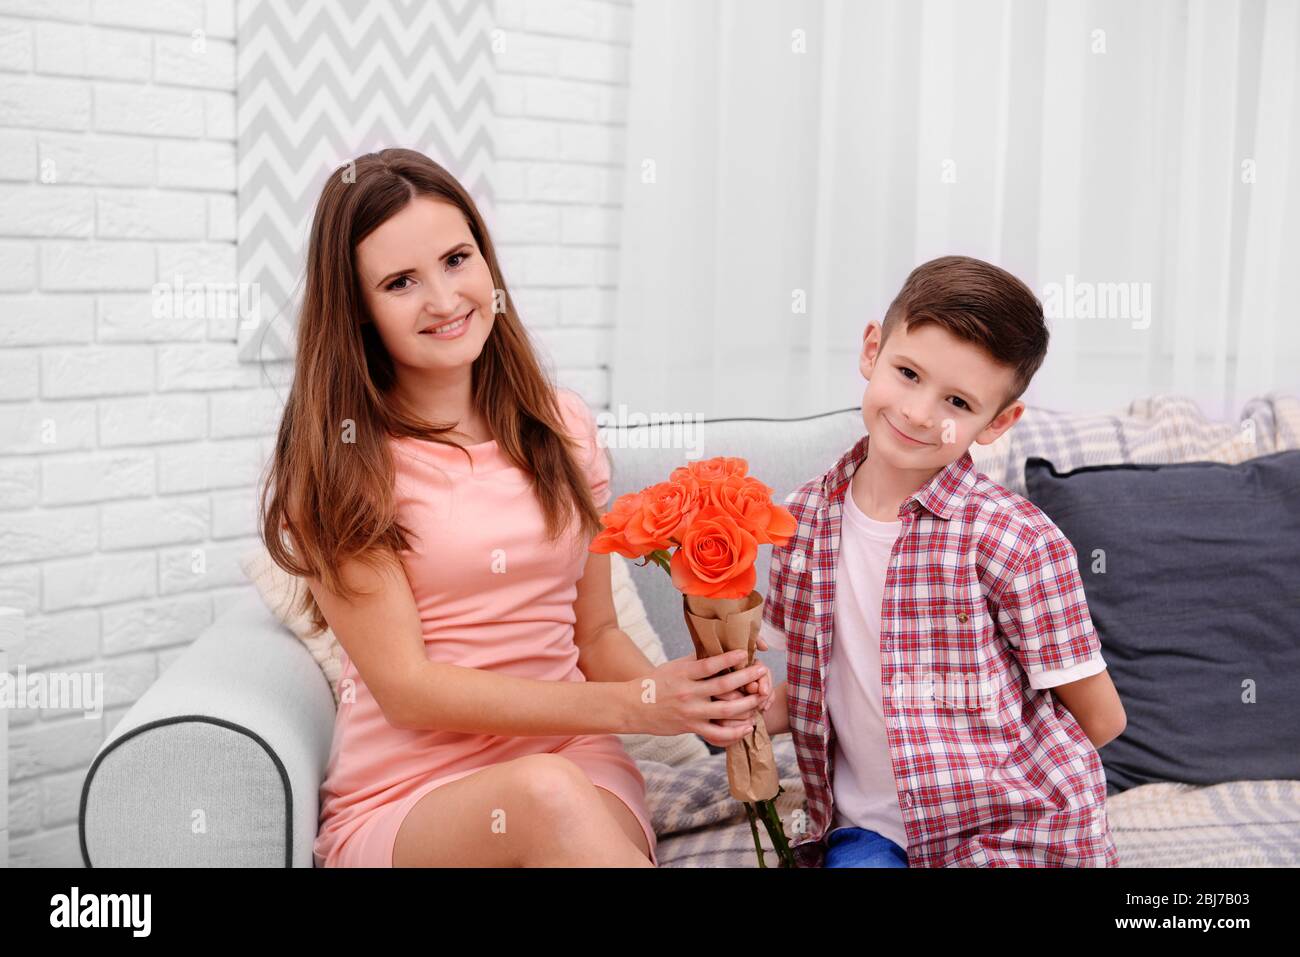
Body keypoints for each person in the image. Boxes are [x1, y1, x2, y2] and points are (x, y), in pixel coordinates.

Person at [260, 148, 773, 868]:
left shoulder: (560, 427)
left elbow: (594, 636)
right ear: (361, 312)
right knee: (544, 793)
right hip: (412, 797)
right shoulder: (341, 463)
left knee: (556, 789)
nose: (444, 299)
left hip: (578, 763)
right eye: (401, 281)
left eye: (457, 259)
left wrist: (703, 701)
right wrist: (636, 706)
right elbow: (407, 689)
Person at [759, 255, 1127, 867]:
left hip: (1008, 836)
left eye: (957, 401)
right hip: (870, 833)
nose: (920, 412)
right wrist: (726, 712)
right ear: (872, 349)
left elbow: (1102, 718)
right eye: (907, 373)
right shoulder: (800, 521)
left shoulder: (1016, 540)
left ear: (997, 422)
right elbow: (808, 682)